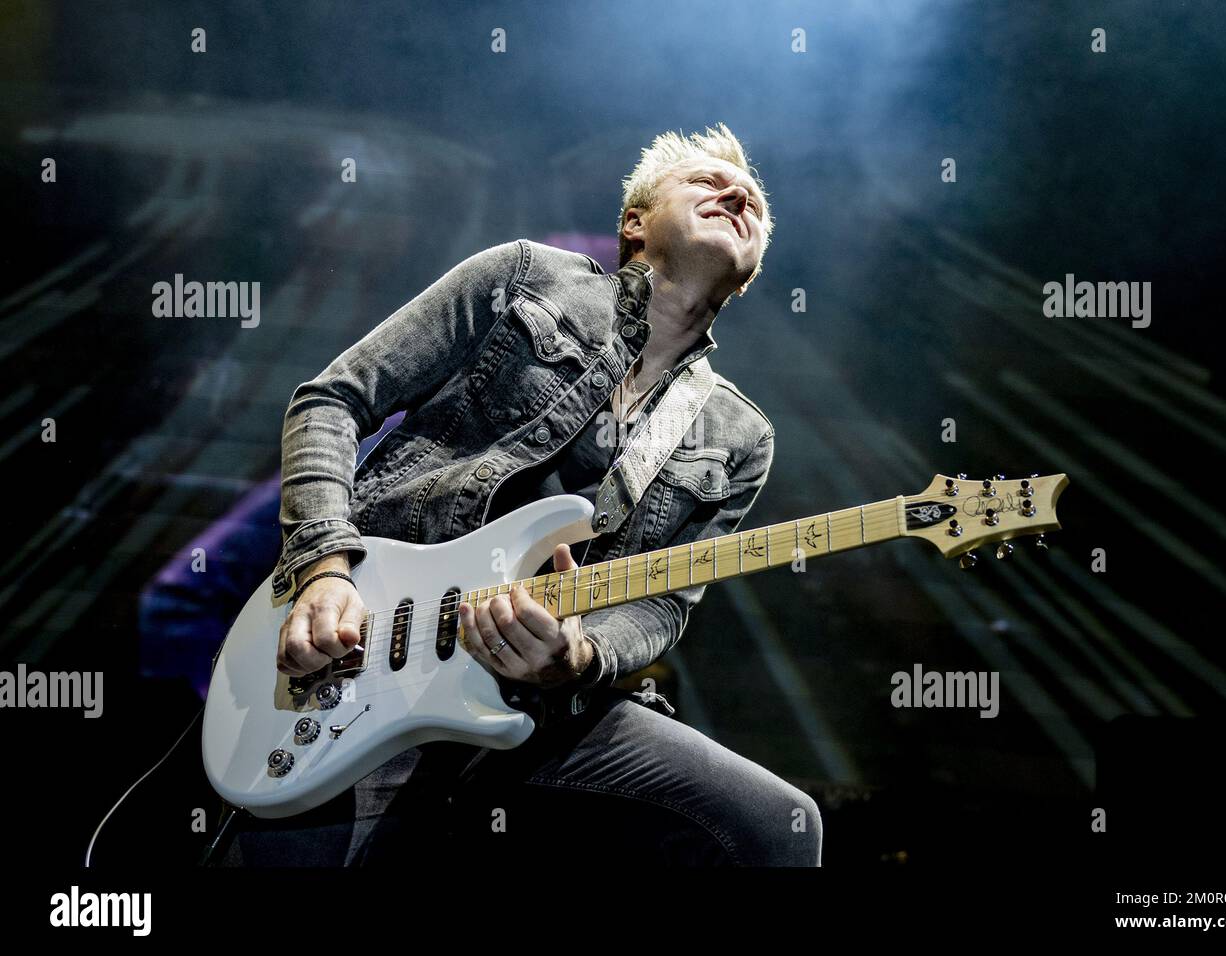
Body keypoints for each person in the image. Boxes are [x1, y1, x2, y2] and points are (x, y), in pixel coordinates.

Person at [224, 122, 822, 866]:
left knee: (774, 828)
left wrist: (575, 654)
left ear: (753, 270)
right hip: (369, 656)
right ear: (635, 223)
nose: (737, 194)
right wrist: (323, 571)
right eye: (707, 183)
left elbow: (662, 604)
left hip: (543, 705)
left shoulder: (740, 435)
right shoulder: (524, 277)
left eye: (755, 205)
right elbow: (331, 401)